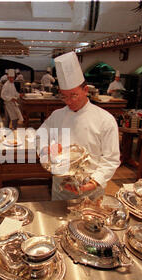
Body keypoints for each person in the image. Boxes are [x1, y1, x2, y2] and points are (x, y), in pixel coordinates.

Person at [37, 52, 120, 201]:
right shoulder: (57, 115)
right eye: (64, 96)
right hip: (60, 186)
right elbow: (40, 135)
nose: (68, 101)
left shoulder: (105, 120)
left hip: (91, 190)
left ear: (86, 90)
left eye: (73, 95)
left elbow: (111, 159)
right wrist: (45, 148)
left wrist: (94, 182)